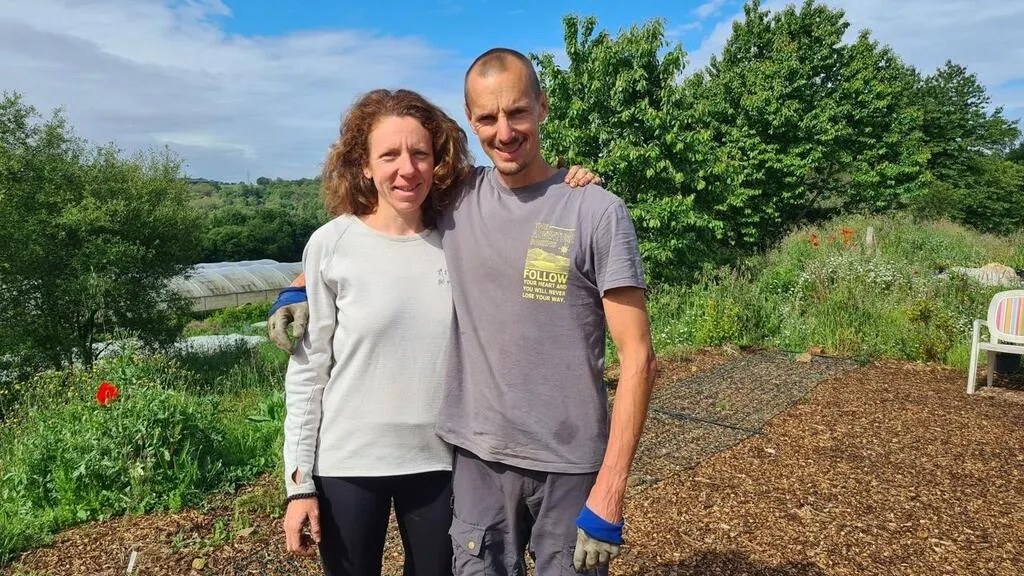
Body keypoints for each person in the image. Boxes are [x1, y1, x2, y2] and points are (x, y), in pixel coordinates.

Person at [273, 48, 656, 575]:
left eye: (517, 112)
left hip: (546, 465)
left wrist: (611, 490)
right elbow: (370, 237)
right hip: (469, 463)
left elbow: (639, 360)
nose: (504, 131)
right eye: (487, 118)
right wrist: (297, 289)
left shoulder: (584, 210)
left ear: (542, 107)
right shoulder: (456, 200)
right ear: (471, 122)